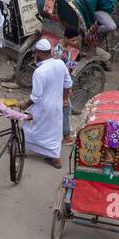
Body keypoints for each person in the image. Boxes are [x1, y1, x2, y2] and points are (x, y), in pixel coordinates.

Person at [25, 38, 72, 168]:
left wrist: (24, 105)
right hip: (57, 106)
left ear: (39, 53)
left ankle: (24, 148)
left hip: (43, 107)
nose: (35, 56)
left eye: (36, 53)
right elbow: (68, 83)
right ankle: (55, 159)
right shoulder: (60, 64)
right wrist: (64, 99)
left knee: (29, 127)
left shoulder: (39, 72)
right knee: (54, 132)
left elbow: (35, 97)